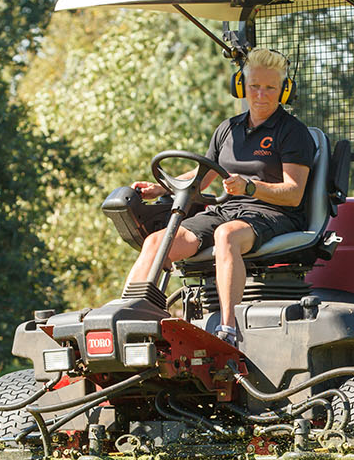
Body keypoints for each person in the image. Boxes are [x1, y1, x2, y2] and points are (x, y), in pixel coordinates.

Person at [125, 47, 315, 346]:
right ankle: (130, 320)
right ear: (241, 85)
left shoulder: (293, 132)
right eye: (254, 86)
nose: (261, 94)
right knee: (156, 242)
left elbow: (293, 194)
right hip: (228, 210)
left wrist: (251, 188)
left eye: (270, 88)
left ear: (283, 90)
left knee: (227, 235)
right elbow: (203, 176)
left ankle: (227, 331)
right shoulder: (228, 129)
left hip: (274, 214)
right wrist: (163, 187)